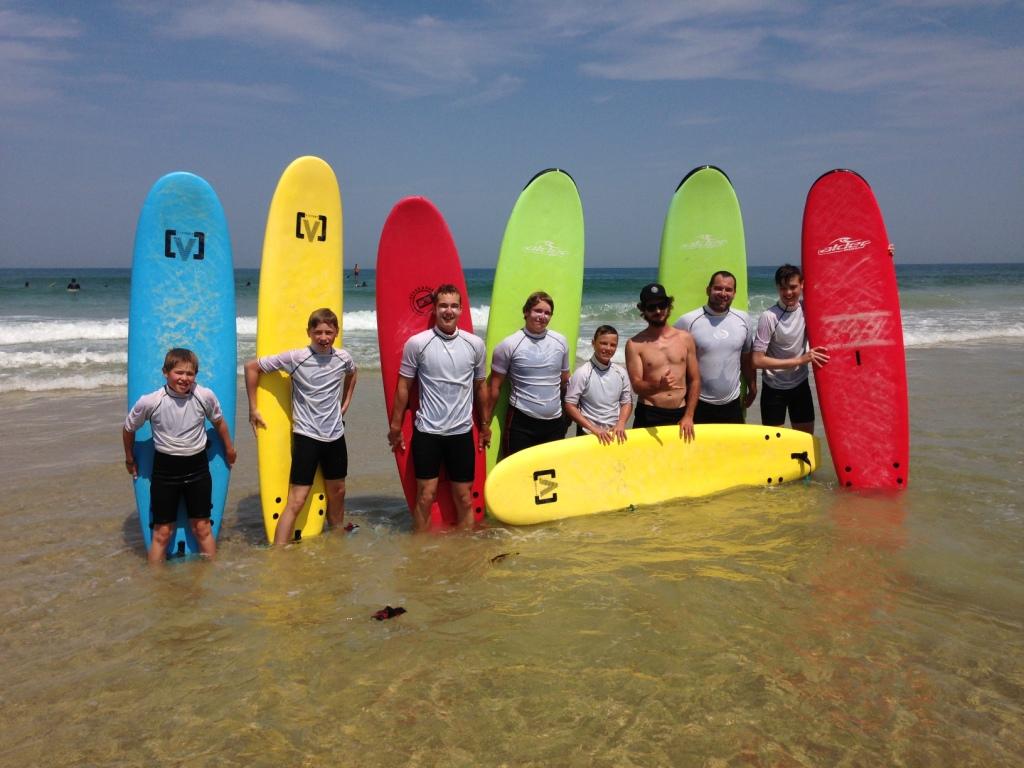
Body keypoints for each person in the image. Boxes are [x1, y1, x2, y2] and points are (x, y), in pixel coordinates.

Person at [245, 308, 357, 546]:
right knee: (298, 498)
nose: (323, 337)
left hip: (336, 435)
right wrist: (253, 408)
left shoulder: (343, 358)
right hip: (307, 436)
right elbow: (251, 367)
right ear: (309, 332)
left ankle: (337, 536)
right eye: (318, 332)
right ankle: (279, 551)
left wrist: (345, 402)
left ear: (337, 332)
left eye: (329, 332)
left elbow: (352, 373)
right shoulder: (296, 358)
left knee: (338, 491)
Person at [387, 284, 490, 532]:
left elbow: (481, 387)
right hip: (428, 432)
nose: (448, 311)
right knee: (425, 496)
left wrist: (485, 426)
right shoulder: (418, 343)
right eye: (443, 305)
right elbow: (404, 386)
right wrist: (395, 426)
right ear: (434, 309)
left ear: (461, 310)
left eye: (454, 306)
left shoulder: (475, 344)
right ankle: (419, 553)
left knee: (464, 497)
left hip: (461, 432)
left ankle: (464, 551)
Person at [123, 348, 237, 564]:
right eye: (179, 373)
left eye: (190, 373)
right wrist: (130, 458)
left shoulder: (204, 396)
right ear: (165, 372)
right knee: (162, 532)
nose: (184, 378)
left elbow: (219, 422)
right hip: (165, 471)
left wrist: (229, 448)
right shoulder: (150, 401)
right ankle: (156, 586)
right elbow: (128, 429)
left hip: (198, 469)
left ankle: (210, 577)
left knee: (202, 528)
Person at [485, 291, 570, 457]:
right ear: (526, 312)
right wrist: (485, 423)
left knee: (551, 476)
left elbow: (565, 381)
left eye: (547, 313)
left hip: (555, 423)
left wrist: (567, 416)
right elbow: (494, 387)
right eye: (538, 311)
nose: (542, 316)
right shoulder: (509, 345)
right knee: (519, 477)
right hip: (521, 423)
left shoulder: (560, 341)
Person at [752, 264, 829, 434]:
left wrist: (883, 255)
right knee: (776, 446)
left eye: (793, 287)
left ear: (802, 284)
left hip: (800, 387)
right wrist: (800, 360)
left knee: (804, 442)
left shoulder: (808, 309)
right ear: (777, 288)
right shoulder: (769, 317)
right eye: (783, 288)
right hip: (773, 390)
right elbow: (757, 360)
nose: (788, 293)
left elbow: (840, 290)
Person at [674, 271, 757, 424]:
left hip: (732, 402)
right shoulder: (688, 321)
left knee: (732, 447)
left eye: (728, 289)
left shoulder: (743, 319)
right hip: (697, 403)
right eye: (718, 288)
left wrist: (752, 386)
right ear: (708, 290)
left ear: (734, 293)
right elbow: (673, 360)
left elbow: (746, 358)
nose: (723, 293)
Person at [624, 283, 700, 440]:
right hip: (649, 413)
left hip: (681, 413)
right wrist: (658, 387)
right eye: (652, 307)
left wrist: (689, 415)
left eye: (662, 305)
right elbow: (637, 385)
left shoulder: (685, 339)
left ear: (668, 305)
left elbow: (695, 380)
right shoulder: (635, 344)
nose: (658, 311)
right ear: (643, 309)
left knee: (679, 463)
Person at [564, 325, 633, 444]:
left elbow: (626, 402)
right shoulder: (582, 373)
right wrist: (594, 429)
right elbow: (570, 405)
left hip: (614, 433)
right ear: (593, 343)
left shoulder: (621, 372)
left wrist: (621, 423)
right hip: (588, 434)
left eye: (613, 345)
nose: (608, 348)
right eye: (603, 343)